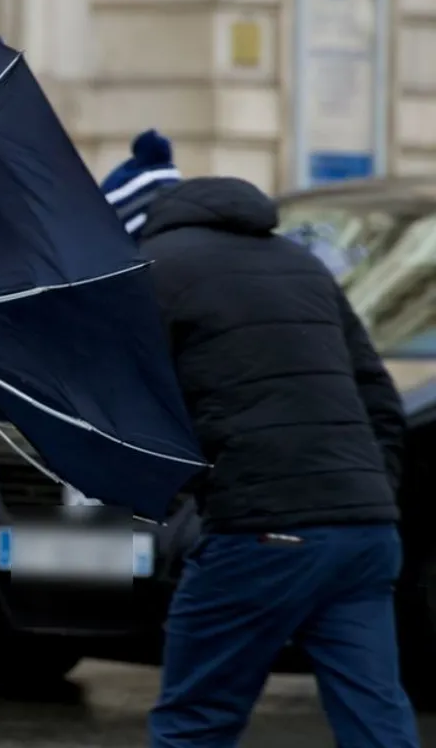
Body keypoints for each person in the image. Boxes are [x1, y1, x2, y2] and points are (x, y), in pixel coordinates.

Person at [100, 131, 419, 747]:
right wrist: (370, 494)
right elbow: (380, 399)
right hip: (365, 532)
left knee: (194, 722)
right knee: (377, 724)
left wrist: (195, 496)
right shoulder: (301, 262)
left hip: (262, 530)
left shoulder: (149, 274)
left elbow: (130, 415)